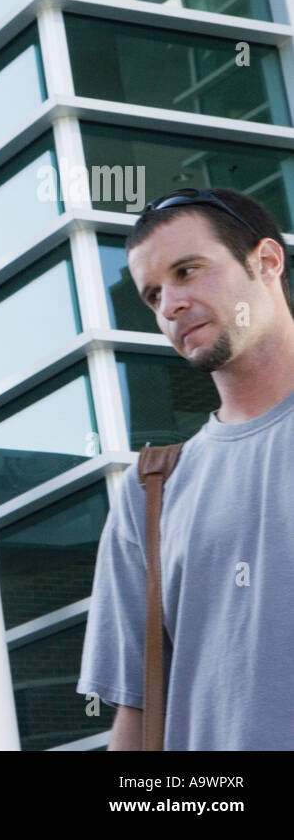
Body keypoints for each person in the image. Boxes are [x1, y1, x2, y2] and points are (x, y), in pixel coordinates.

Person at [78, 187, 294, 750]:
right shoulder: (152, 488)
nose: (170, 304)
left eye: (189, 270)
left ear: (266, 261)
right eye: (153, 294)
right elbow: (136, 716)